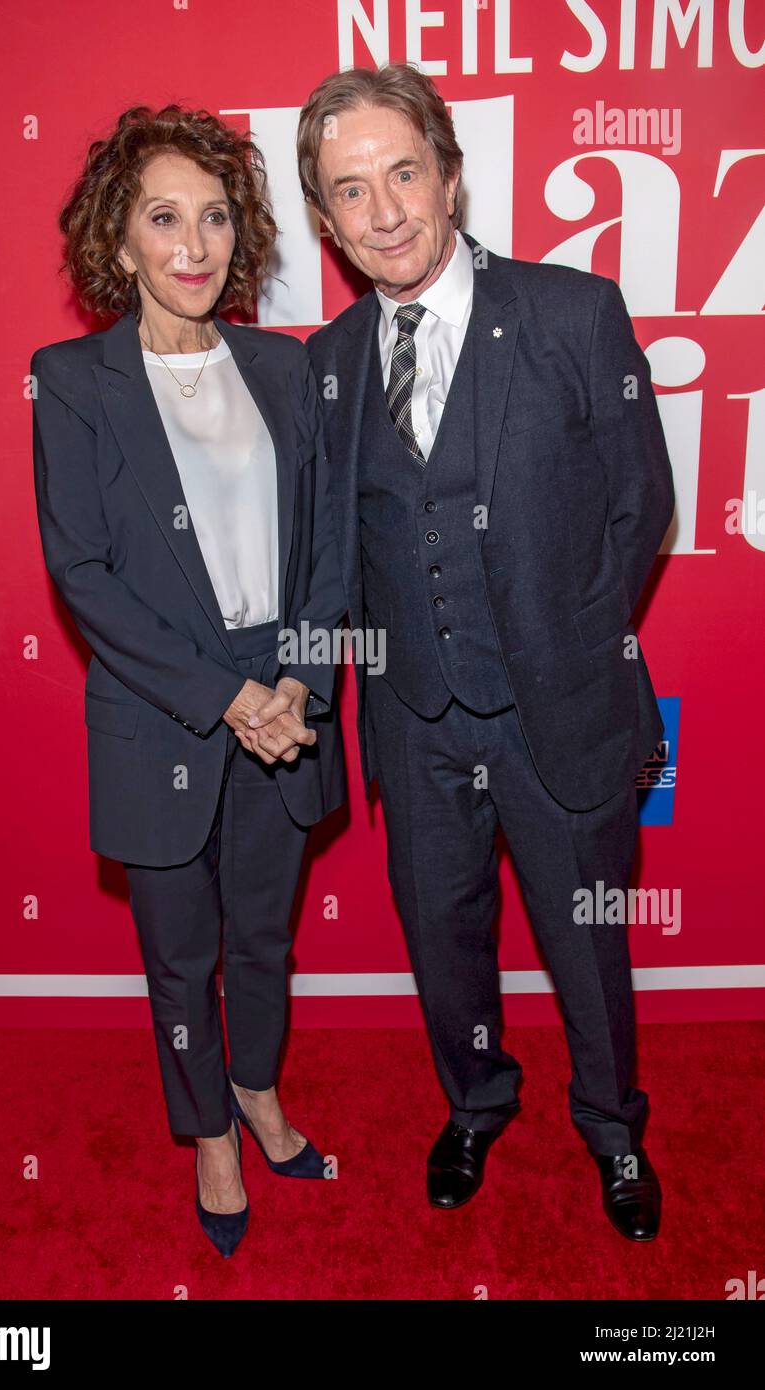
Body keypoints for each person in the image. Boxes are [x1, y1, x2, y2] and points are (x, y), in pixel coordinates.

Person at [298, 64, 675, 1241]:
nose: (385, 212)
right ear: (325, 220)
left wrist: (562, 639)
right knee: (443, 940)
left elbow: (639, 503)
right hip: (412, 719)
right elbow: (342, 555)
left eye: (402, 173)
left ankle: (613, 1126)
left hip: (557, 709)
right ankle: (476, 1101)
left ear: (450, 175)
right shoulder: (328, 359)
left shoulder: (574, 313)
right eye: (350, 193)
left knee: (587, 939)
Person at [31, 104, 346, 1258]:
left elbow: (325, 550)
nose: (194, 244)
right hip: (167, 709)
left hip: (287, 702)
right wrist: (226, 699)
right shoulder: (68, 380)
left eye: (214, 216)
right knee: (182, 951)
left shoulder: (284, 365)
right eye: (164, 217)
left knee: (264, 935)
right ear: (118, 239)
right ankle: (207, 1127)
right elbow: (84, 573)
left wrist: (300, 689)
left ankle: (257, 1091)